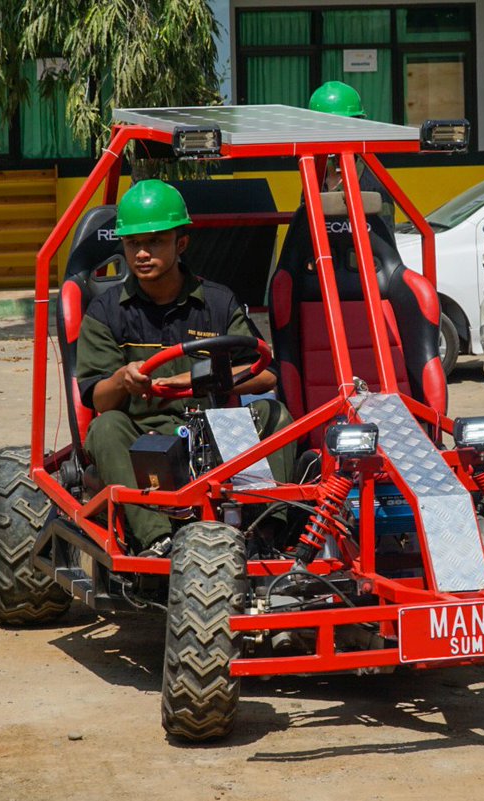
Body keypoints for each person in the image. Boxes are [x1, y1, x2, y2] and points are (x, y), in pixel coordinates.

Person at [75, 179, 293, 556]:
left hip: (214, 431)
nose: (142, 253)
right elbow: (98, 398)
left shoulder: (217, 302)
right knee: (105, 427)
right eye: (133, 244)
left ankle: (267, 532)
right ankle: (159, 541)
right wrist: (123, 379)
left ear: (181, 244)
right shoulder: (106, 311)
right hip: (141, 436)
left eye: (154, 242)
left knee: (273, 412)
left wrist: (190, 378)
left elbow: (265, 372)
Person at [308, 81, 396, 233]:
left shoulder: (373, 185)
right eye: (324, 127)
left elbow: (383, 245)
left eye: (337, 127)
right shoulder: (314, 178)